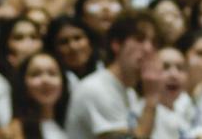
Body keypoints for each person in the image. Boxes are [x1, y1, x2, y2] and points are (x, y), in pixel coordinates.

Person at [64, 9, 162, 139]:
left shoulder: (130, 93)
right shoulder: (96, 89)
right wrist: (151, 100)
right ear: (116, 44)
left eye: (153, 43)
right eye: (139, 39)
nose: (148, 49)